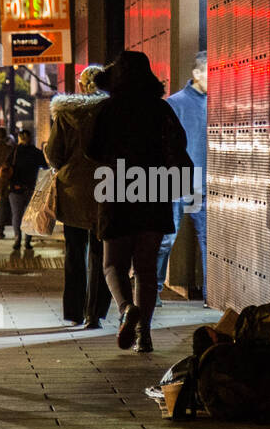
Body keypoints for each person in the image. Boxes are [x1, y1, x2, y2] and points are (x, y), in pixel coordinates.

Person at [88, 51, 191, 353]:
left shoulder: (107, 110)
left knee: (112, 264)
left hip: (117, 188)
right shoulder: (161, 110)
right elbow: (179, 144)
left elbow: (91, 150)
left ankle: (125, 310)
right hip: (154, 191)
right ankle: (144, 334)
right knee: (145, 268)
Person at [45, 65, 113, 327]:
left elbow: (54, 153)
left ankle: (73, 312)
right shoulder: (111, 112)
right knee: (101, 252)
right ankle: (94, 313)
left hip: (72, 189)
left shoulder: (66, 113)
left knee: (75, 252)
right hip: (105, 188)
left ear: (83, 85)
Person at [156, 50, 208, 306]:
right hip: (177, 181)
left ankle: (212, 294)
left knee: (208, 241)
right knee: (166, 239)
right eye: (210, 72)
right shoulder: (175, 103)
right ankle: (152, 291)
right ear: (196, 73)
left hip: (204, 182)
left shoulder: (216, 103)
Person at [6, 128, 48, 251]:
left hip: (15, 188)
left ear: (19, 138)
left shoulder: (14, 152)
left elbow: (6, 168)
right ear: (30, 138)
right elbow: (45, 168)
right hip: (31, 188)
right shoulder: (36, 152)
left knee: (17, 215)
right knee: (30, 216)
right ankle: (27, 241)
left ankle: (17, 239)